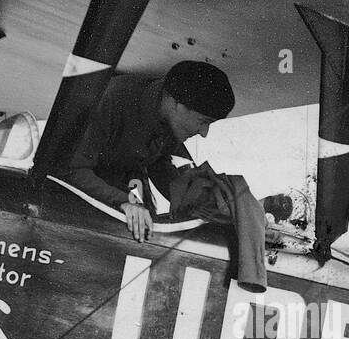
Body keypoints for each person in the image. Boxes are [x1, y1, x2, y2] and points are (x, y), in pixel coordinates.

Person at [64, 60, 291, 244]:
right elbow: (70, 169)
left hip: (124, 193)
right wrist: (125, 202)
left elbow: (181, 187)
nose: (203, 133)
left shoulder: (170, 123)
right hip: (78, 203)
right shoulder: (114, 99)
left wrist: (245, 221)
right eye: (203, 121)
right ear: (177, 104)